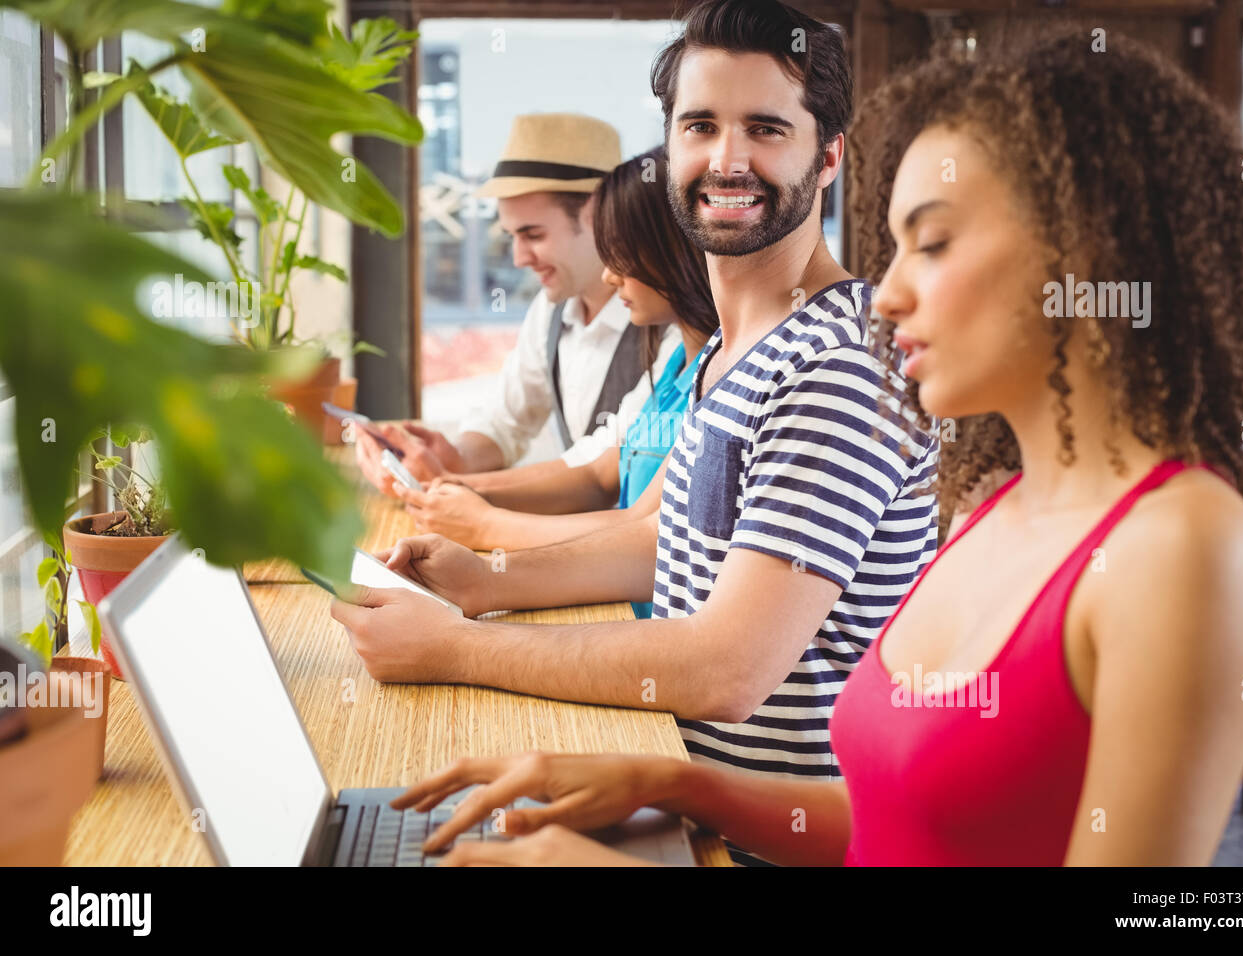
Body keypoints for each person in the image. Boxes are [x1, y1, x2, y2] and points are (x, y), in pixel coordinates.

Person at [381, 29, 1243, 867]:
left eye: (931, 245)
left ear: (1086, 254)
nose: (887, 297)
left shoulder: (1184, 547)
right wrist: (681, 784)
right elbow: (909, 820)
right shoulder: (993, 508)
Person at [329, 0, 938, 866]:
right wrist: (485, 579)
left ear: (828, 154)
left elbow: (727, 669)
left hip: (765, 846)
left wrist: (457, 648)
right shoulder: (737, 345)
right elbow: (665, 543)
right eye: (702, 125)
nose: (728, 160)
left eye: (766, 128)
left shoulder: (837, 363)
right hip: (678, 801)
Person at [395, 146, 720, 619]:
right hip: (610, 605)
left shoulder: (714, 367)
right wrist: (455, 486)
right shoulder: (673, 363)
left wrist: (485, 527)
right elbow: (593, 469)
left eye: (533, 234)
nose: (612, 274)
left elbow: (638, 530)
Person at [354, 113, 678, 500]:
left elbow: (603, 464)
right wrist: (452, 459)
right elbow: (507, 420)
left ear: (598, 214)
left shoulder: (671, 322)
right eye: (511, 236)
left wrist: (450, 486)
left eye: (533, 235)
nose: (519, 258)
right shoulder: (551, 308)